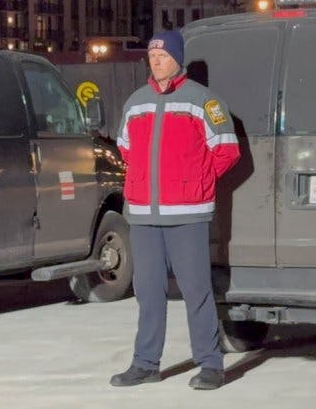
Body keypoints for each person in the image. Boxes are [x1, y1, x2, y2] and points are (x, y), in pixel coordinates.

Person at [111, 30, 240, 390]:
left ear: (177, 59)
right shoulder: (136, 102)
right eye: (152, 55)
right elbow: (126, 149)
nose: (156, 60)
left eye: (163, 55)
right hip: (144, 216)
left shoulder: (204, 101)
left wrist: (195, 181)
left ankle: (211, 364)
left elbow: (227, 151)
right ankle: (145, 364)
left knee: (196, 290)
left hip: (187, 214)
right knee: (148, 292)